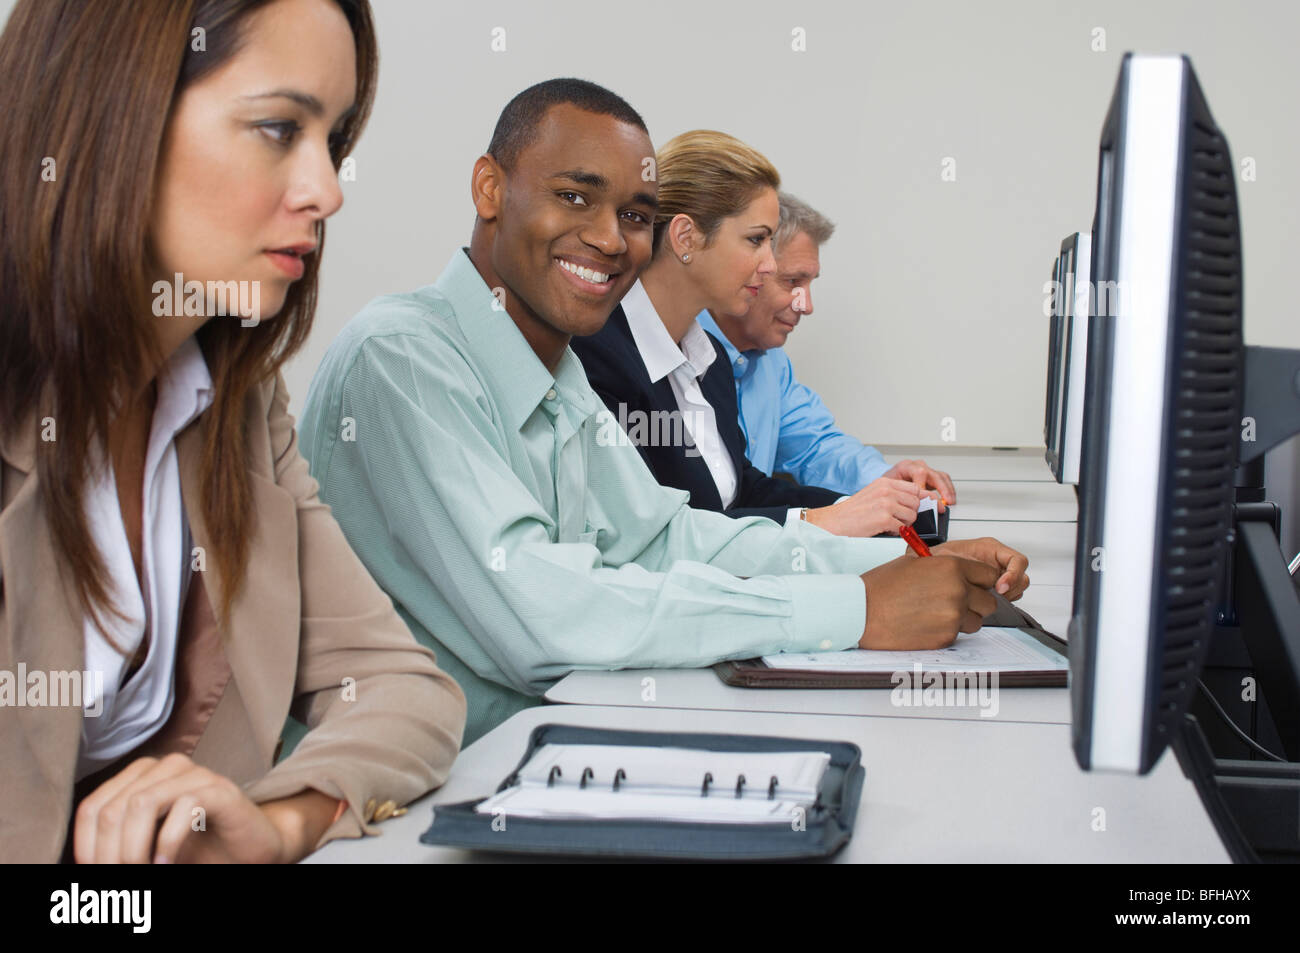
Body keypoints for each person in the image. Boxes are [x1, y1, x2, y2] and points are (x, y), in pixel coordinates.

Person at [299, 78, 1031, 745]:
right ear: (490, 187)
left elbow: (666, 539)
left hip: (534, 751)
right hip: (399, 802)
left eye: (635, 214)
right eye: (576, 196)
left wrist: (902, 559)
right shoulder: (401, 356)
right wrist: (855, 609)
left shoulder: (557, 369)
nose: (613, 239)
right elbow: (547, 614)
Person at [0, 0, 465, 864]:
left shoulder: (240, 405)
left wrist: (282, 821)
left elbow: (404, 688)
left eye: (334, 140)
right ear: (111, 115)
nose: (326, 190)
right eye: (278, 127)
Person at [571, 131, 928, 535]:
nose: (770, 265)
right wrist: (825, 521)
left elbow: (742, 492)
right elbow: (658, 537)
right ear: (685, 237)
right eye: (756, 240)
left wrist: (867, 508)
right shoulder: (595, 360)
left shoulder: (712, 361)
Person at [698, 192, 959, 504]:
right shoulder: (678, 353)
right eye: (792, 281)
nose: (806, 306)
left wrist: (883, 478)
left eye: (809, 284)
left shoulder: (771, 361)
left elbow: (815, 447)